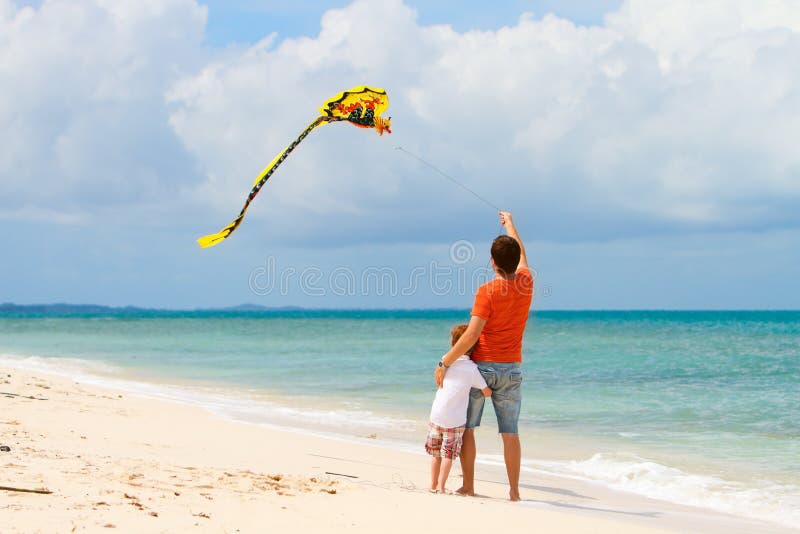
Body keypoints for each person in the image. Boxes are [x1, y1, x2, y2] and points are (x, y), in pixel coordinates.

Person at [435, 211, 533, 501]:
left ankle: (468, 485)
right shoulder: (526, 283)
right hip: (512, 369)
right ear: (515, 262)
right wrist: (512, 225)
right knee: (510, 433)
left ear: (492, 262)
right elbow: (522, 256)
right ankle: (514, 492)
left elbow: (471, 335)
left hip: (483, 370)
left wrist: (445, 361)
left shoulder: (487, 291)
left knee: (467, 429)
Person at [425, 324, 492, 494]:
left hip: (436, 416)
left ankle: (432, 485)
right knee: (448, 454)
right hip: (455, 422)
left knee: (436, 454)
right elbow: (486, 392)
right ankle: (441, 487)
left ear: (453, 343)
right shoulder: (472, 369)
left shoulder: (444, 361)